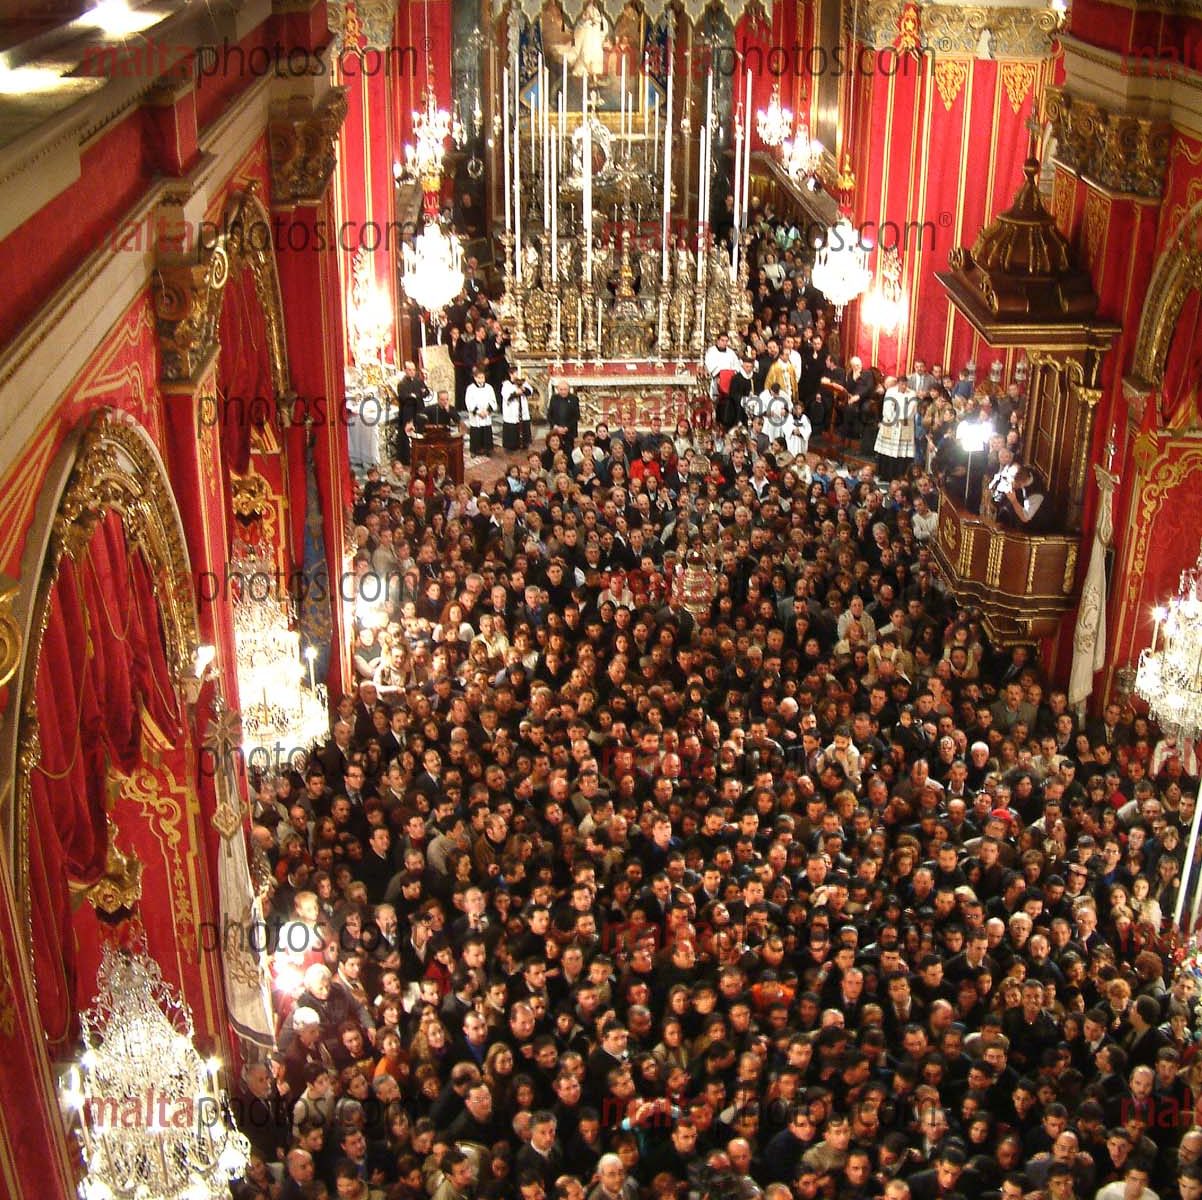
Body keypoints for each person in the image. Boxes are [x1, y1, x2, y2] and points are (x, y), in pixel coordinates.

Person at [465, 368, 498, 457]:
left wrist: (487, 411)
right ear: (475, 378)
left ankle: (488, 449)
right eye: (479, 377)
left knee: (486, 432)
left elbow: (493, 401)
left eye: (482, 377)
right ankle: (474, 450)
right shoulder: (470, 388)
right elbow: (469, 402)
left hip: (486, 414)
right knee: (476, 433)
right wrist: (479, 412)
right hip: (476, 416)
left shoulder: (489, 387)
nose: (481, 379)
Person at [502, 369, 534, 451]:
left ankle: (524, 443)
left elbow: (530, 391)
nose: (517, 376)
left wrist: (523, 389)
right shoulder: (506, 384)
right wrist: (516, 393)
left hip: (522, 410)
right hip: (512, 411)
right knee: (512, 428)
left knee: (524, 425)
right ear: (511, 374)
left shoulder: (523, 383)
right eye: (515, 374)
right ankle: (511, 445)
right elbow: (506, 395)